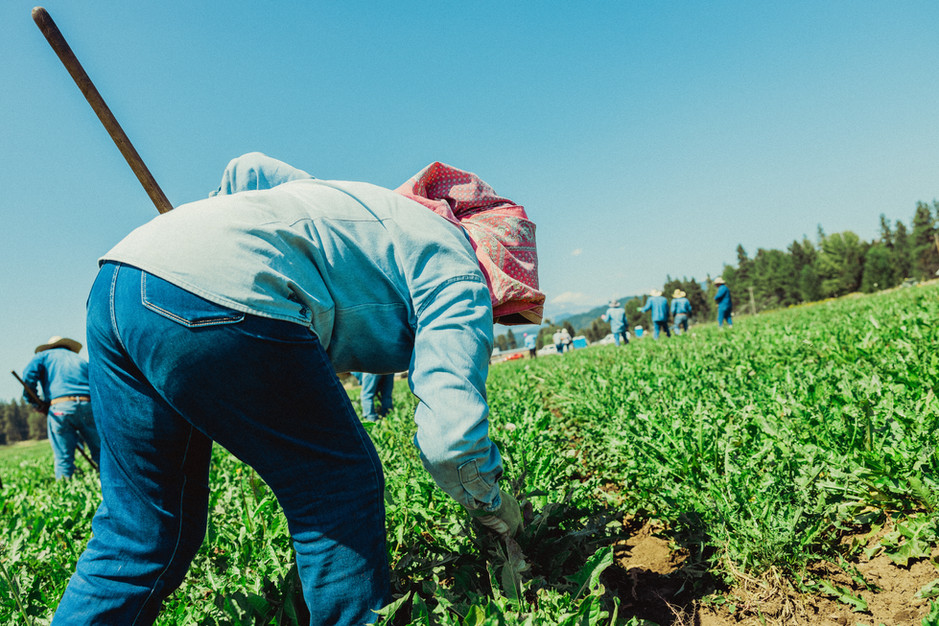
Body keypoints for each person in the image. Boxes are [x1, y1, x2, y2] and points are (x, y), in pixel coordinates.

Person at [52, 153, 544, 626]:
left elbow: (246, 166)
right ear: (497, 262)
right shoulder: (460, 269)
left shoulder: (351, 200)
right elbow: (450, 441)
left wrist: (211, 224)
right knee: (338, 484)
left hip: (121, 279)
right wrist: (496, 512)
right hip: (226, 291)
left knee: (141, 528)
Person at [21, 336, 101, 479]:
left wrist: (36, 402)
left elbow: (28, 377)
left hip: (60, 408)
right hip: (88, 404)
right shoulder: (80, 360)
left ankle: (66, 488)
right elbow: (96, 382)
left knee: (63, 458)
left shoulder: (44, 356)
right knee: (101, 452)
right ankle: (109, 482)